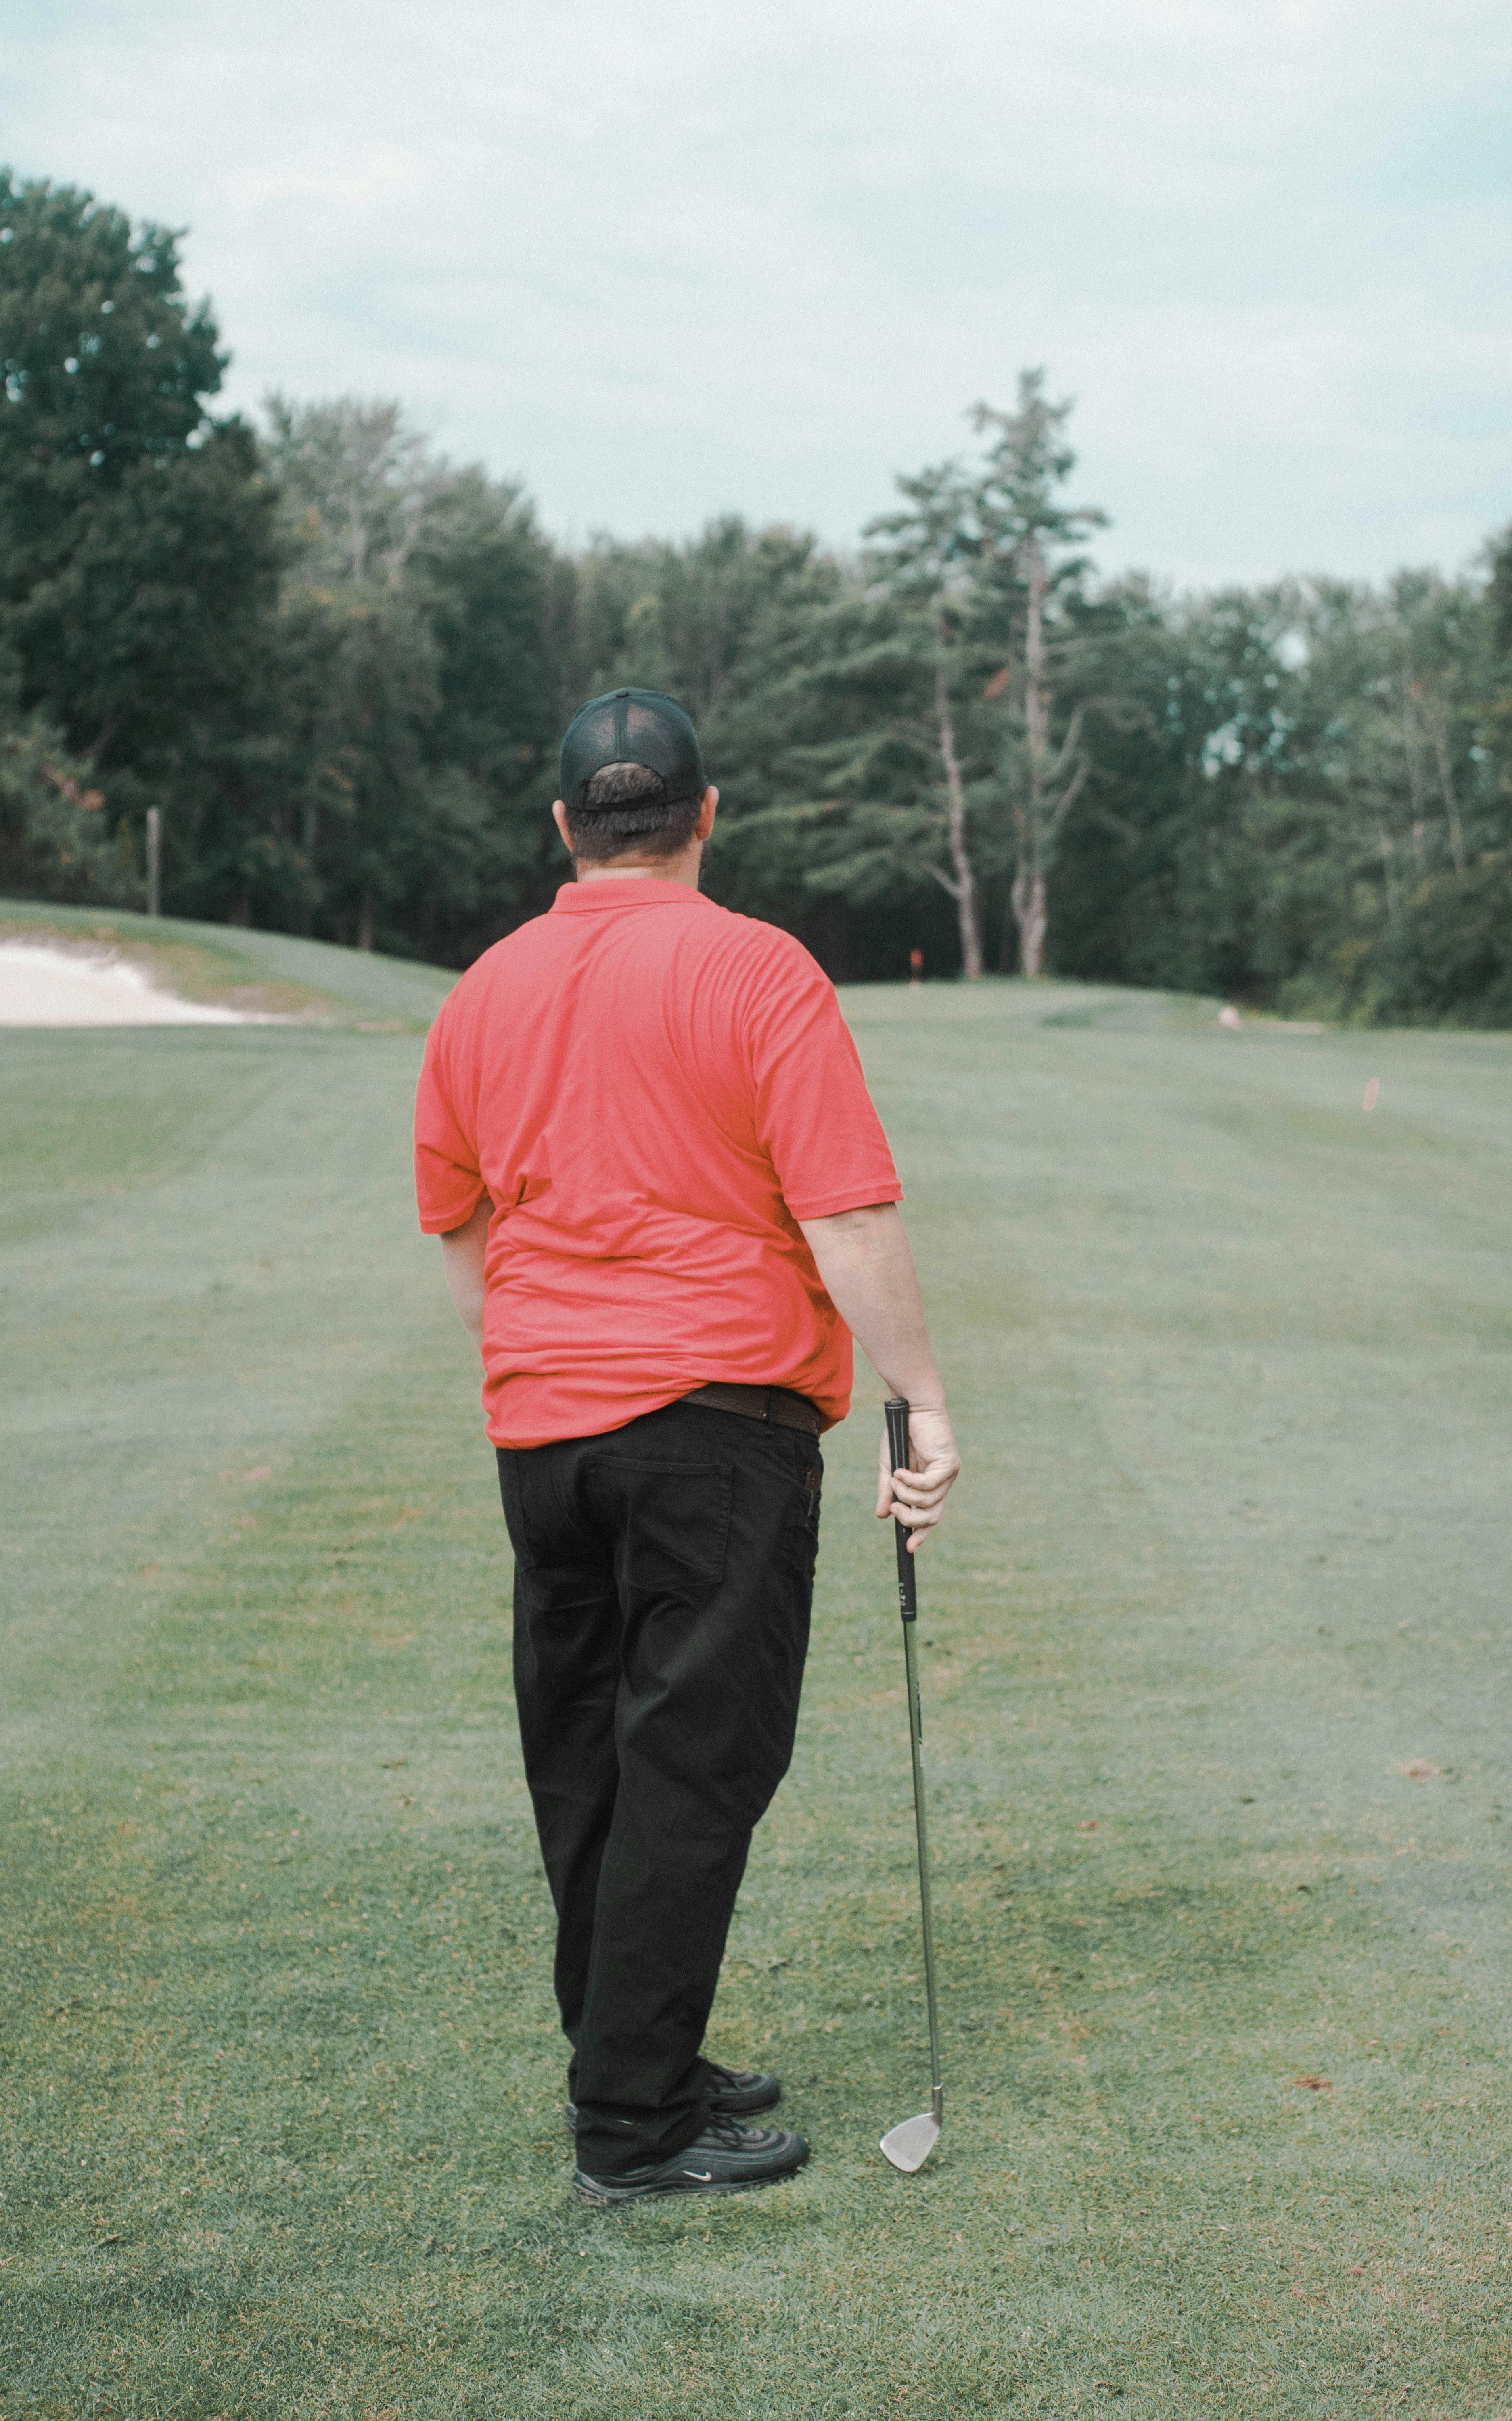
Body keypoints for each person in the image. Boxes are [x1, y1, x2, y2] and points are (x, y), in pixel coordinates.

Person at [414, 687, 959, 2207]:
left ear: (566, 828)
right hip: (721, 1421)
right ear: (708, 814)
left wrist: (543, 1358)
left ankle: (632, 2053)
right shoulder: (760, 970)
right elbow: (845, 1213)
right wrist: (924, 1399)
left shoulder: (482, 990)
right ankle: (633, 2126)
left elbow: (463, 1230)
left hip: (546, 1434)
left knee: (591, 1756)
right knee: (695, 1759)